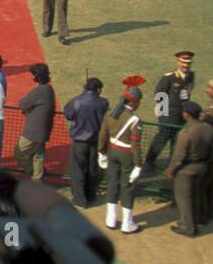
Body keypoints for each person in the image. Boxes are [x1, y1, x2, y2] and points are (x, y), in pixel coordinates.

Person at [99, 75, 146, 234]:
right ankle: (127, 222)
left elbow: (103, 135)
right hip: (126, 154)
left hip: (112, 151)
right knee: (127, 187)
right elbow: (135, 145)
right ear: (133, 102)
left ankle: (110, 219)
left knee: (112, 182)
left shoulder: (110, 114)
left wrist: (101, 153)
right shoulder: (135, 119)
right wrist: (138, 165)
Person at [165, 102, 212, 236]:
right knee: (197, 194)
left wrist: (171, 169)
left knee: (183, 199)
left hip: (186, 169)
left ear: (186, 115)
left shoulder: (185, 133)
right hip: (203, 167)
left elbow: (179, 155)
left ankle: (188, 227)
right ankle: (195, 220)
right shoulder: (208, 128)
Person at [145, 51, 196, 171]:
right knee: (161, 139)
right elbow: (159, 95)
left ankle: (172, 164)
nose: (186, 66)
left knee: (176, 141)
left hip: (182, 116)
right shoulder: (169, 77)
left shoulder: (191, 76)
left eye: (188, 63)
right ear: (178, 62)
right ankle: (149, 162)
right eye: (183, 63)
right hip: (168, 115)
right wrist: (163, 116)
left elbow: (187, 93)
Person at [63, 77, 108, 207]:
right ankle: (90, 195)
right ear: (98, 89)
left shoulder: (77, 101)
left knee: (77, 170)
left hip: (79, 142)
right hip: (96, 142)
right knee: (92, 169)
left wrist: (80, 96)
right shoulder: (103, 103)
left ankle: (79, 199)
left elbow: (68, 114)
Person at [15, 63, 56, 181]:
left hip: (33, 130)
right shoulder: (49, 89)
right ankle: (38, 178)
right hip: (45, 130)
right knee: (38, 155)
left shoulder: (38, 91)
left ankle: (32, 171)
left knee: (19, 152)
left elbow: (23, 104)